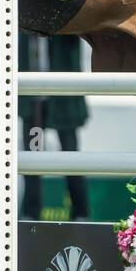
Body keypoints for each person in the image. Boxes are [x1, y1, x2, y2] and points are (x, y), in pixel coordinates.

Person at [18, 32, 90, 221]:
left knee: (70, 154)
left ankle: (80, 212)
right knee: (32, 156)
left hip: (62, 100)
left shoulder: (60, 22)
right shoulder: (23, 23)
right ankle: (31, 213)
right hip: (33, 102)